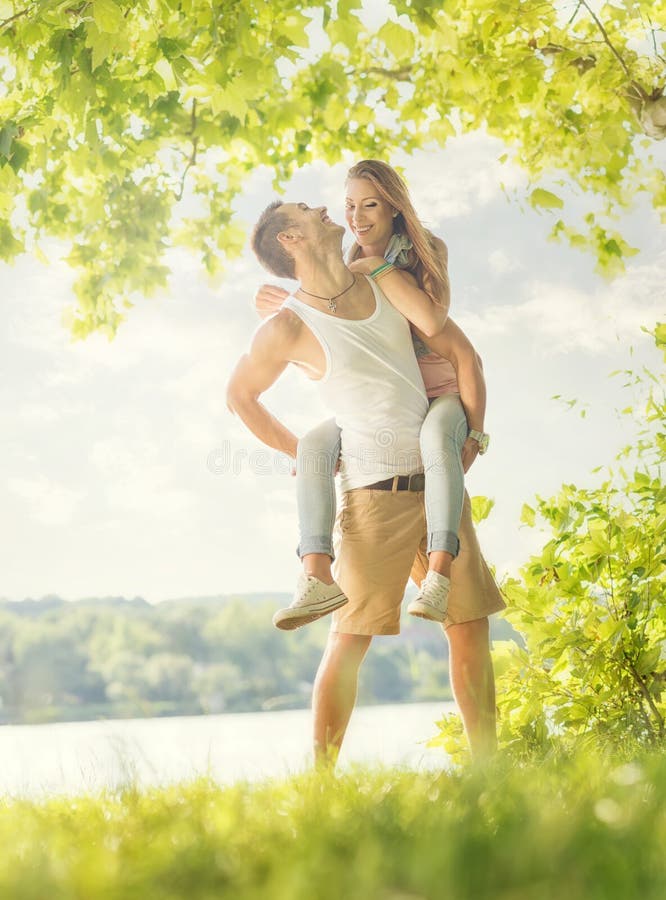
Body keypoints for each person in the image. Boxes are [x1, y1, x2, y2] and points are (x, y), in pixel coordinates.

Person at [227, 199, 505, 762]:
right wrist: (306, 454)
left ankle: (489, 775)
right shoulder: (285, 327)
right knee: (349, 640)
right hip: (372, 498)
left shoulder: (379, 280)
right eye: (309, 210)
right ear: (290, 241)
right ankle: (321, 785)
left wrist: (472, 432)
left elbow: (446, 333)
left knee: (470, 630)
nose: (327, 207)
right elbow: (240, 396)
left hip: (437, 483)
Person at [255, 160, 490, 630]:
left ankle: (440, 572)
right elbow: (333, 331)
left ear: (394, 208)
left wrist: (379, 272)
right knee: (316, 445)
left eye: (370, 204)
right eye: (350, 205)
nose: (356, 217)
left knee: (435, 439)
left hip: (433, 387)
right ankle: (314, 571)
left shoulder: (421, 252)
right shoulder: (344, 264)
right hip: (382, 404)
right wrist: (288, 308)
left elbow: (433, 323)